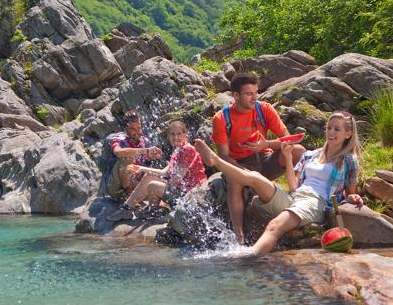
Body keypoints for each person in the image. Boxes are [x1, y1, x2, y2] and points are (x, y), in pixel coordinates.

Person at [194, 111, 363, 255]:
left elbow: (350, 192)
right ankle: (215, 161)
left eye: (337, 129)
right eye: (329, 128)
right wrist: (288, 158)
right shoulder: (311, 155)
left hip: (315, 203)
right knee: (254, 177)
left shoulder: (348, 160)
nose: (331, 132)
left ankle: (247, 256)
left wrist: (352, 197)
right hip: (295, 197)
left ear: (348, 134)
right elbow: (293, 186)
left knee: (274, 226)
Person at [211, 72, 306, 244]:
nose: (254, 98)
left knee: (299, 152)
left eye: (256, 92)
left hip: (264, 159)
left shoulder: (264, 109)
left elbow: (289, 141)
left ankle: (300, 195)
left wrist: (266, 145)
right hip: (239, 163)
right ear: (235, 95)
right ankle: (239, 236)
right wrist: (243, 173)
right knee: (234, 180)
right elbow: (223, 156)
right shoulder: (221, 118)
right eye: (249, 94)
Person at [117, 120, 208, 219]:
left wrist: (158, 182)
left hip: (190, 194)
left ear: (185, 134)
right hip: (182, 190)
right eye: (172, 134)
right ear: (168, 136)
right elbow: (164, 172)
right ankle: (140, 208)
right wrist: (142, 168)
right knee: (149, 176)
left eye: (179, 134)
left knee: (152, 185)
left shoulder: (187, 149)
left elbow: (176, 180)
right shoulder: (178, 150)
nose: (175, 137)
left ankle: (149, 209)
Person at [104, 111, 163, 221]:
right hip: (117, 187)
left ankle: (149, 205)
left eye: (139, 128)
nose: (137, 132)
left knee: (155, 175)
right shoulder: (118, 139)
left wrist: (155, 156)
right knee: (128, 158)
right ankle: (127, 198)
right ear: (125, 128)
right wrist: (145, 151)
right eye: (133, 129)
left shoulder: (144, 141)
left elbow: (149, 159)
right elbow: (118, 152)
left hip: (136, 184)